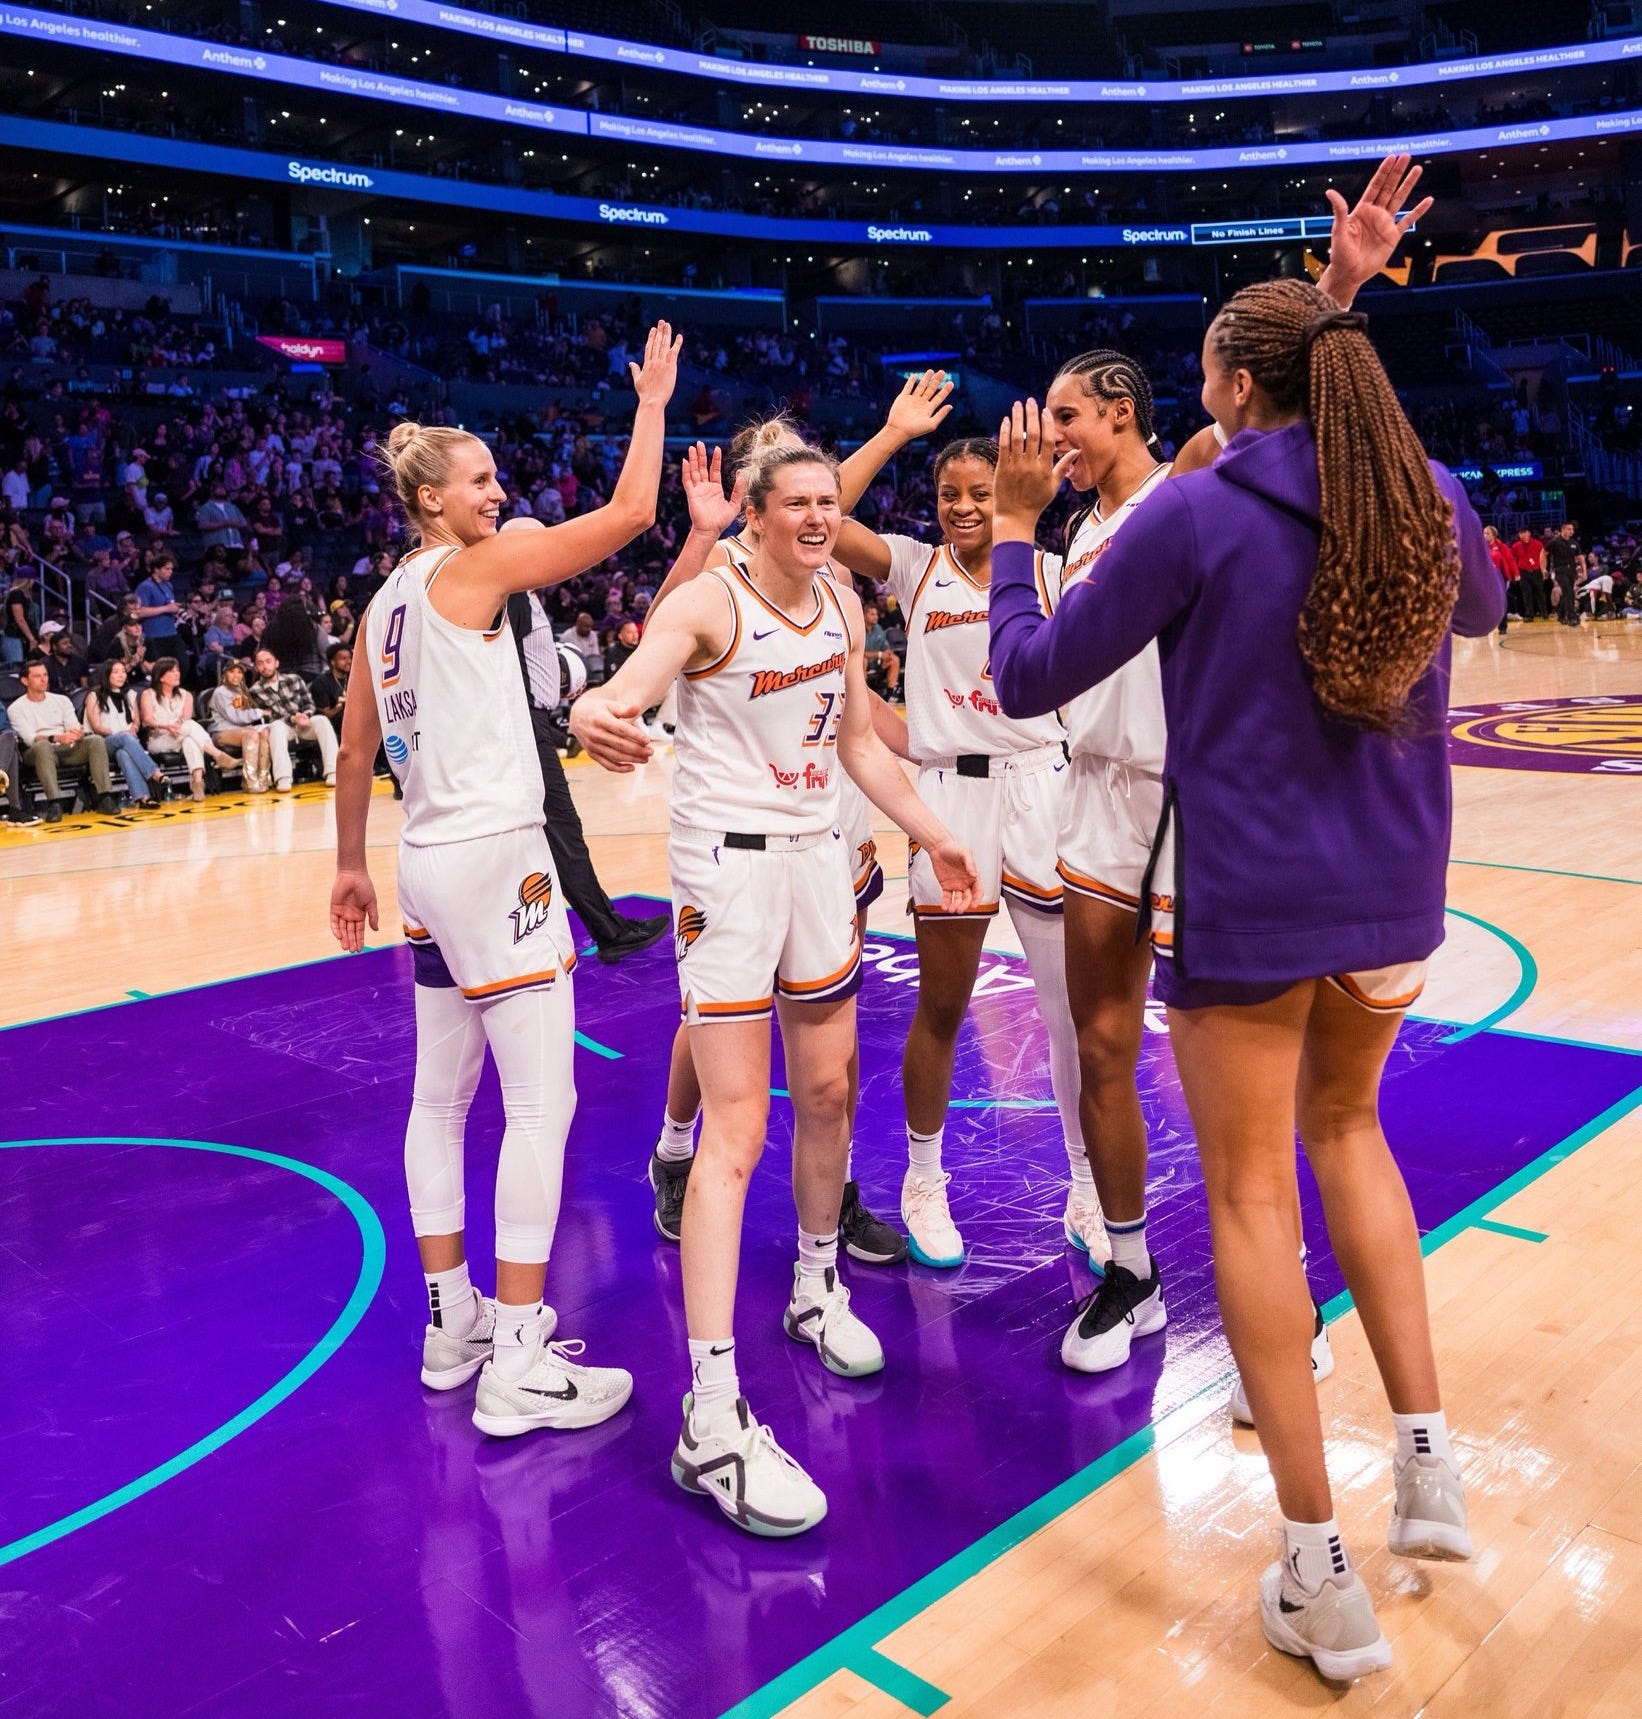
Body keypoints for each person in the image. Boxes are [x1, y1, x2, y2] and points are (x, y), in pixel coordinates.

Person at [987, 276, 1502, 1682]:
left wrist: (1016, 535)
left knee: (1252, 1198)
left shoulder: (1195, 511)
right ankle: (1429, 1466)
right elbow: (1481, 605)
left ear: (1227, 387)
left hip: (1256, 892)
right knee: (1351, 1130)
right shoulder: (1426, 488)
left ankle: (1318, 1574)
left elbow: (1029, 674)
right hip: (1395, 885)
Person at [1013, 154, 1430, 1385]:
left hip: (1198, 805)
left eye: (1065, 417)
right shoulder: (1076, 527)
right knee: (1100, 1047)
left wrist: (1337, 287)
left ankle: (1279, 1312)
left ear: (1119, 412)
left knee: (1261, 1095)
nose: (1049, 438)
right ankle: (1129, 1271)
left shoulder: (1192, 479)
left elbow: (1276, 391)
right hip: (1097, 801)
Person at [571, 442, 978, 1537]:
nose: (815, 516)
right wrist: (600, 709)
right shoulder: (711, 601)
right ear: (752, 514)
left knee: (832, 1093)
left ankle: (815, 1286)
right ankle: (710, 1414)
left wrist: (932, 829)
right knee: (738, 1128)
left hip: (815, 862)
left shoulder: (841, 603)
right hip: (727, 875)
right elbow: (632, 681)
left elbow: (859, 746)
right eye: (795, 501)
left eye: (827, 501)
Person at [328, 319, 682, 1440]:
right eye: (480, 479)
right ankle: (521, 1359)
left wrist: (349, 864)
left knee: (438, 1101)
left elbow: (353, 750)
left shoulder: (382, 603)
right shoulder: (470, 569)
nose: (498, 492)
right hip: (495, 858)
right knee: (540, 1103)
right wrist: (650, 405)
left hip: (426, 861)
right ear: (430, 498)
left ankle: (454, 1325)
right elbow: (628, 515)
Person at [831, 428, 1098, 1265]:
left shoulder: (1050, 572)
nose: (963, 507)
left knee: (1069, 1013)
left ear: (1007, 492)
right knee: (943, 1005)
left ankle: (1088, 1186)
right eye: (950, 493)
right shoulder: (915, 567)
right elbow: (821, 514)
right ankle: (923, 1179)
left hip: (1041, 783)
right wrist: (893, 434)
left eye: (980, 492)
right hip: (950, 794)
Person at [508, 574, 671, 965]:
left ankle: (601, 927)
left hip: (530, 722)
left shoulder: (521, 595)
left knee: (550, 833)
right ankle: (609, 931)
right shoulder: (511, 594)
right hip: (523, 724)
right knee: (562, 831)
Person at [7, 658, 116, 820]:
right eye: (37, 676)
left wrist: (77, 733)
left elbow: (72, 725)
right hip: (36, 752)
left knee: (95, 740)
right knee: (43, 746)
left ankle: (105, 797)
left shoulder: (61, 700)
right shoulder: (16, 708)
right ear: (25, 681)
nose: (44, 679)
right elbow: (29, 739)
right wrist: (56, 737)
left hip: (66, 747)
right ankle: (55, 803)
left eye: (45, 675)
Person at [139, 656, 237, 801]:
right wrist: (167, 726)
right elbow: (147, 720)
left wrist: (177, 727)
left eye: (178, 670)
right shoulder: (148, 694)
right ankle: (217, 755)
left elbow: (185, 718)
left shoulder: (186, 695)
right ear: (161, 677)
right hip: (159, 738)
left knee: (189, 740)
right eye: (172, 671)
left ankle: (198, 785)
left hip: (181, 734)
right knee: (189, 727)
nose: (177, 674)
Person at [84, 658, 169, 808]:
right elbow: (96, 727)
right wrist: (120, 733)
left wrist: (133, 729)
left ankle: (142, 798)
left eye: (123, 672)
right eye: (116, 672)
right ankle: (154, 773)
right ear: (107, 675)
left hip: (127, 743)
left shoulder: (130, 694)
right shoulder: (94, 696)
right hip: (102, 744)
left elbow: (136, 722)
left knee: (123, 754)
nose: (121, 675)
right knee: (124, 737)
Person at [249, 647, 339, 789]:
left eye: (268, 661)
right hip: (284, 727)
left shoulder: (294, 679)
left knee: (322, 721)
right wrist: (292, 719)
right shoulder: (255, 691)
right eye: (260, 663)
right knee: (276, 727)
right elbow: (270, 716)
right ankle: (283, 778)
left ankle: (334, 772)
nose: (265, 666)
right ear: (256, 667)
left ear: (276, 663)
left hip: (304, 723)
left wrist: (305, 715)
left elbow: (309, 703)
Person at [203, 659, 274, 792]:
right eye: (232, 672)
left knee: (266, 732)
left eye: (240, 672)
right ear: (225, 674)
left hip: (242, 730)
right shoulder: (221, 692)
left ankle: (264, 777)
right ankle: (250, 781)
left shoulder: (241, 691)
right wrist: (260, 712)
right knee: (251, 734)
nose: (236, 675)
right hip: (221, 732)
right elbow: (235, 717)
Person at [1545, 519, 1581, 627]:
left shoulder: (1574, 543)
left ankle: (1561, 615)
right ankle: (1572, 617)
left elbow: (1580, 557)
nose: (1571, 531)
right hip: (1559, 570)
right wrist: (1543, 568)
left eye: (1572, 530)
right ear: (1563, 529)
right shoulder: (1554, 542)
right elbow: (1543, 553)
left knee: (1567, 593)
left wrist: (1582, 570)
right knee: (1568, 592)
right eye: (1569, 529)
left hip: (1571, 570)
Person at [1512, 526, 1548, 619]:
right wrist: (1515, 573)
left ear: (1529, 533)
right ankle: (1529, 614)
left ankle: (1544, 612)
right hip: (1523, 572)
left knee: (1540, 592)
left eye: (1525, 532)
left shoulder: (1538, 544)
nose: (1523, 535)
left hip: (1536, 571)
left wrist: (1544, 569)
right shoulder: (1516, 546)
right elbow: (1513, 560)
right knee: (1526, 594)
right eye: (1521, 533)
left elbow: (1543, 558)